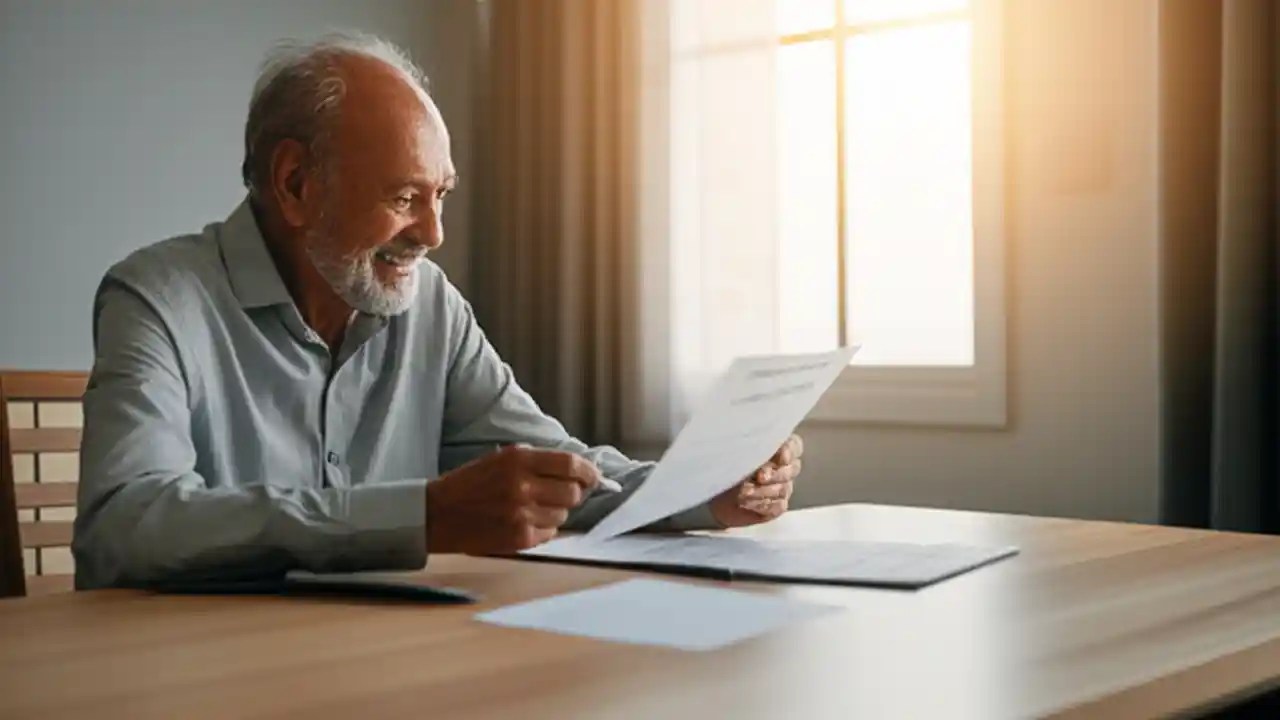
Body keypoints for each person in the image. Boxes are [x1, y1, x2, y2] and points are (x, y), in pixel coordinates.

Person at [72, 32, 804, 589]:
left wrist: (702, 488)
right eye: (403, 197)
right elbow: (125, 526)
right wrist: (421, 516)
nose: (433, 234)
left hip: (386, 663)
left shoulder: (431, 306)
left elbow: (555, 472)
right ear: (295, 184)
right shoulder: (157, 297)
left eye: (441, 195)